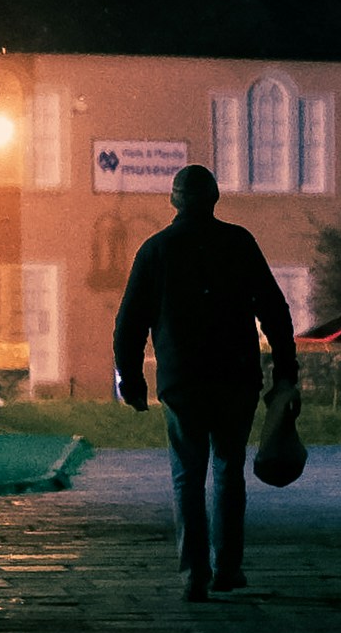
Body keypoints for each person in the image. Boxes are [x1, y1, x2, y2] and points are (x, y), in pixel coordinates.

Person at [111, 164, 298, 600]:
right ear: (215, 198)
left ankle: (194, 572)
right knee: (229, 469)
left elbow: (130, 323)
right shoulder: (238, 243)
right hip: (235, 376)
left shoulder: (156, 250)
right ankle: (227, 566)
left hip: (182, 378)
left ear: (174, 201)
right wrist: (285, 369)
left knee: (187, 474)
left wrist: (132, 379)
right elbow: (274, 309)